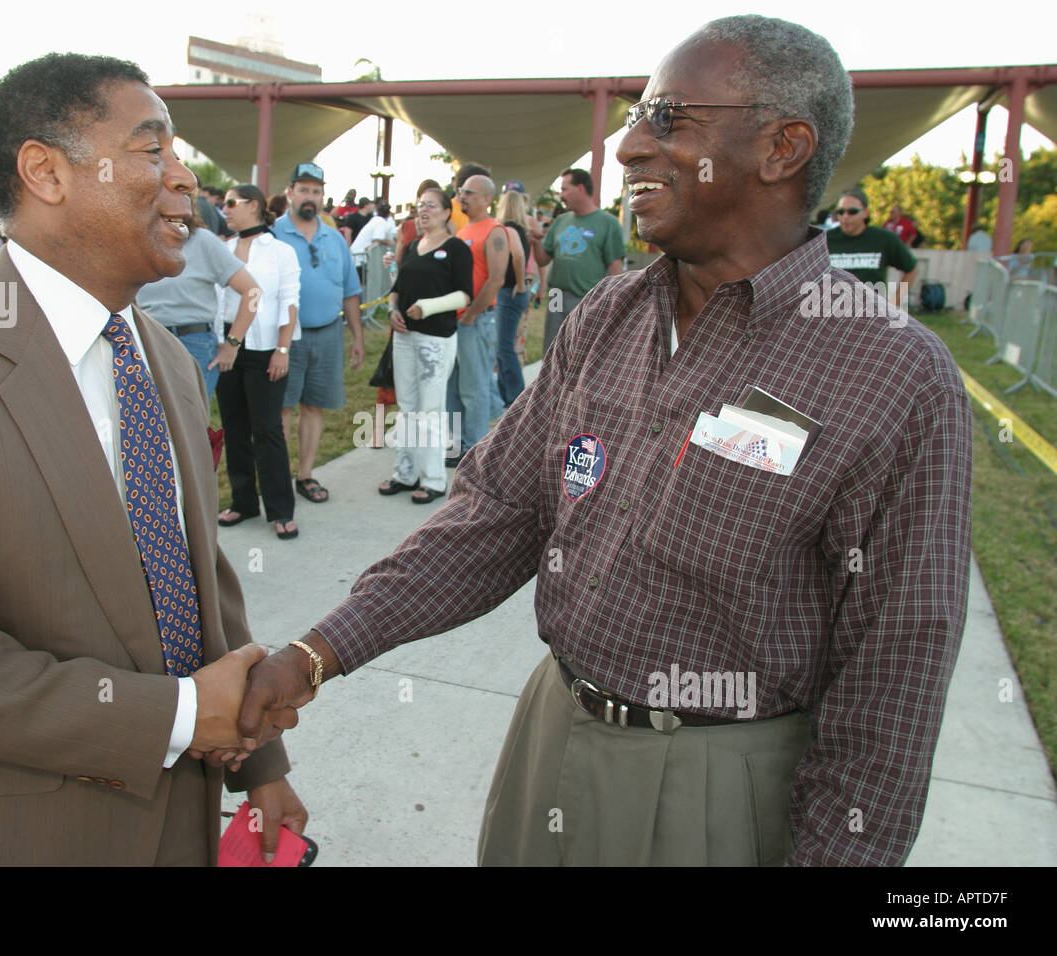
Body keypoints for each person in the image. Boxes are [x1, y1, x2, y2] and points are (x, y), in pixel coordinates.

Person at [235, 14, 972, 868]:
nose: (626, 148)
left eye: (670, 117)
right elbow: (496, 515)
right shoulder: (607, 318)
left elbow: (894, 683)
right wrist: (315, 655)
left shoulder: (893, 375)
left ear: (784, 148)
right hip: (552, 737)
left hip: (717, 790)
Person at [0, 52, 305, 866]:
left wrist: (258, 762)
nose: (187, 181)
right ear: (44, 172)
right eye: (154, 151)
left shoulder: (168, 361)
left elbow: (197, 577)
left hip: (182, 826)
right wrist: (178, 719)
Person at [274, 161, 365, 504]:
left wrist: (357, 336)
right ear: (290, 193)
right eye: (303, 190)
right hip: (285, 337)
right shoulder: (272, 235)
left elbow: (351, 292)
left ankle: (305, 474)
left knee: (314, 407)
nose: (310, 196)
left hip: (328, 333)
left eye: (316, 191)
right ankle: (279, 476)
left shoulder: (334, 237)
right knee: (282, 409)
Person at [214, 183, 301, 540]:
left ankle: (280, 508)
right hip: (227, 347)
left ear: (254, 205)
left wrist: (283, 349)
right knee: (234, 427)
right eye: (223, 204)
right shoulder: (223, 249)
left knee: (267, 429)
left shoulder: (281, 251)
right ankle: (244, 501)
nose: (225, 209)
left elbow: (289, 301)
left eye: (231, 203)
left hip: (266, 349)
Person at [380, 186, 471, 504]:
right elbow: (398, 285)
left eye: (431, 205)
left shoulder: (457, 248)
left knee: (429, 410)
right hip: (404, 336)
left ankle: (433, 480)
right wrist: (393, 310)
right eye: (420, 205)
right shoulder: (413, 245)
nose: (424, 210)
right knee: (406, 407)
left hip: (436, 338)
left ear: (447, 212)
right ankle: (404, 474)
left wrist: (428, 307)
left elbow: (464, 295)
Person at [136, 186, 261, 399]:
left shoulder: (203, 241)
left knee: (188, 427)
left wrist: (232, 345)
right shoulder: (139, 241)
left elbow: (253, 291)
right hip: (146, 342)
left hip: (193, 345)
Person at [446, 174, 508, 463]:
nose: (462, 196)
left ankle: (475, 451)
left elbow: (495, 279)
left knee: (474, 387)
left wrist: (470, 316)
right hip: (456, 320)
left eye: (468, 192)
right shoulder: (463, 229)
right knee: (453, 387)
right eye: (461, 191)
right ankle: (458, 445)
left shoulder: (494, 231)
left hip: (476, 320)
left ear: (486, 198)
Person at [532, 168, 626, 348]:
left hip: (587, 298)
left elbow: (615, 268)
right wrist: (536, 243)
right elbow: (543, 260)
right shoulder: (560, 221)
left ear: (581, 188)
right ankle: (552, 377)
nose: (561, 195)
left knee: (580, 349)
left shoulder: (608, 223)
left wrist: (611, 303)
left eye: (564, 189)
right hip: (556, 295)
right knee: (553, 346)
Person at [825, 186, 917, 307]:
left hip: (871, 314)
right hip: (833, 313)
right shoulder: (825, 240)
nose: (845, 216)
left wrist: (894, 304)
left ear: (865, 213)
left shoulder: (883, 238)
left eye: (852, 212)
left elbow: (911, 269)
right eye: (840, 212)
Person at [494, 185, 530, 406]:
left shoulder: (509, 229)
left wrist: (519, 283)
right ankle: (505, 395)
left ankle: (516, 397)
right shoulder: (521, 231)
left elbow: (517, 256)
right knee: (503, 346)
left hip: (510, 291)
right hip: (510, 291)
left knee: (505, 347)